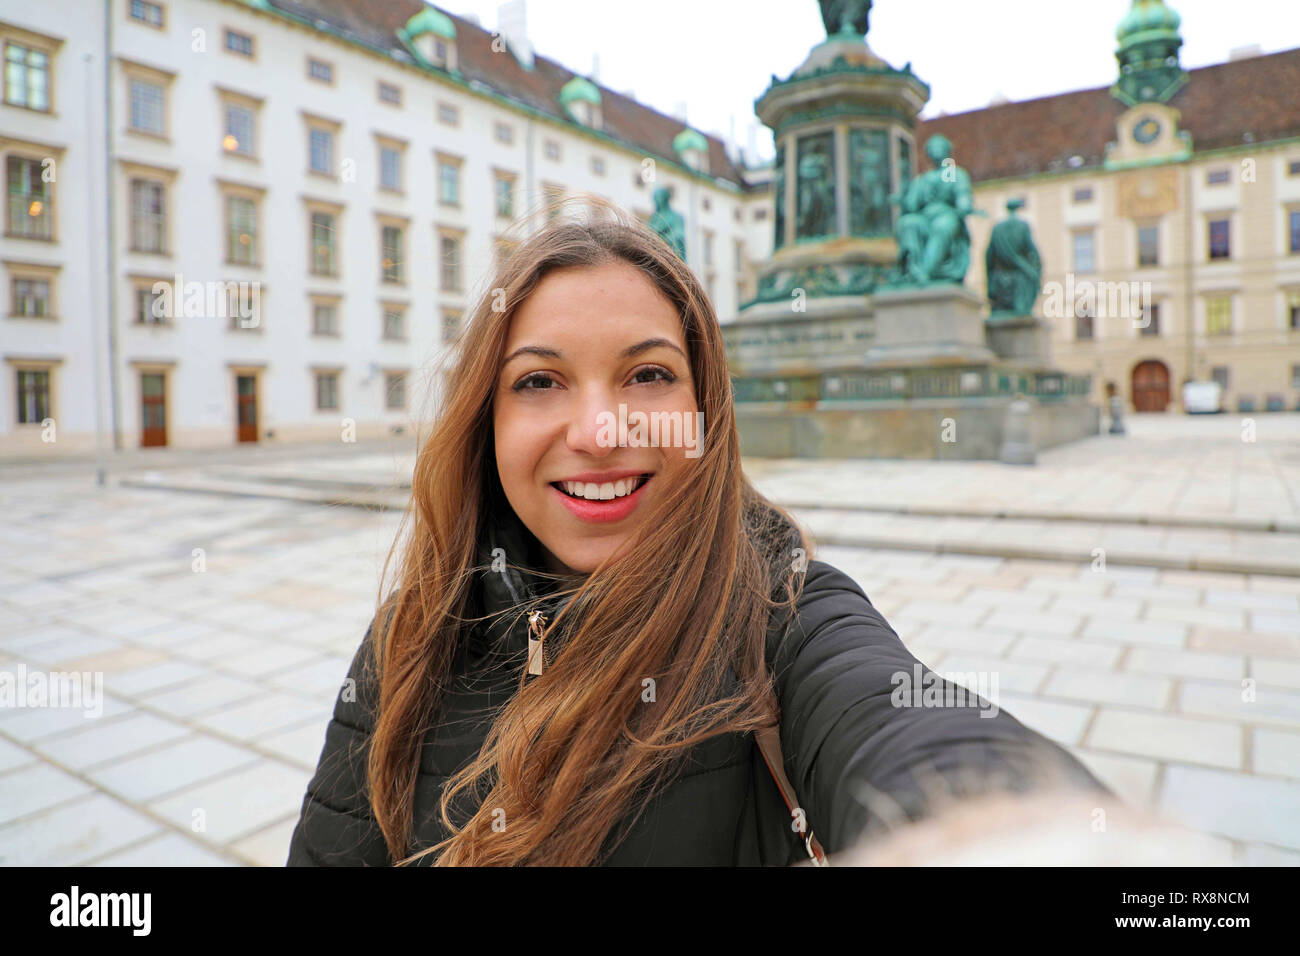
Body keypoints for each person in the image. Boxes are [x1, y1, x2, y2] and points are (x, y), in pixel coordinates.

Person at [285, 197, 1109, 867]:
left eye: (648, 374)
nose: (600, 431)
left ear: (704, 415)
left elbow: (896, 719)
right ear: (485, 421)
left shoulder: (783, 620)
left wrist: (1023, 833)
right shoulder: (412, 635)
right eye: (539, 381)